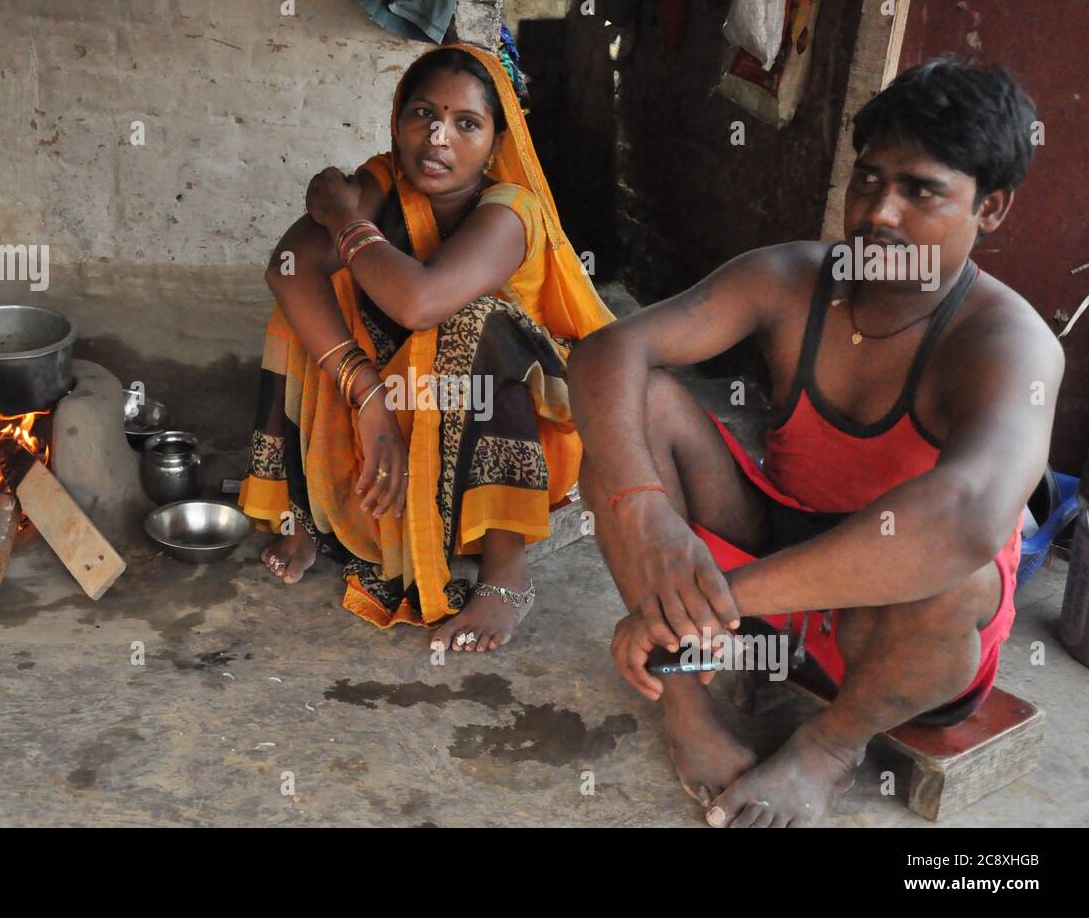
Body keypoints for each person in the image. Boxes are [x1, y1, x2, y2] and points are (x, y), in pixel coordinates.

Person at [568, 59, 1063, 827]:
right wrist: (647, 517)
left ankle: (829, 747)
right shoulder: (790, 278)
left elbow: (963, 520)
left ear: (990, 207)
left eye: (921, 190)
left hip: (893, 626)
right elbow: (606, 352)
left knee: (959, 574)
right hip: (781, 553)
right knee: (634, 411)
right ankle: (688, 707)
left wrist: (708, 603)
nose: (879, 213)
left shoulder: (1009, 342)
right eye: (867, 180)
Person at [239, 44, 613, 651]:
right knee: (307, 307)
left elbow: (419, 302)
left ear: (495, 142)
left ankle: (503, 569)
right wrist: (368, 398)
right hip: (396, 401)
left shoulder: (512, 211)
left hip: (496, 411)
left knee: (477, 323)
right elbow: (286, 267)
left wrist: (342, 217)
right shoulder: (385, 180)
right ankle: (312, 511)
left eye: (467, 123)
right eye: (421, 114)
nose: (438, 137)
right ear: (396, 122)